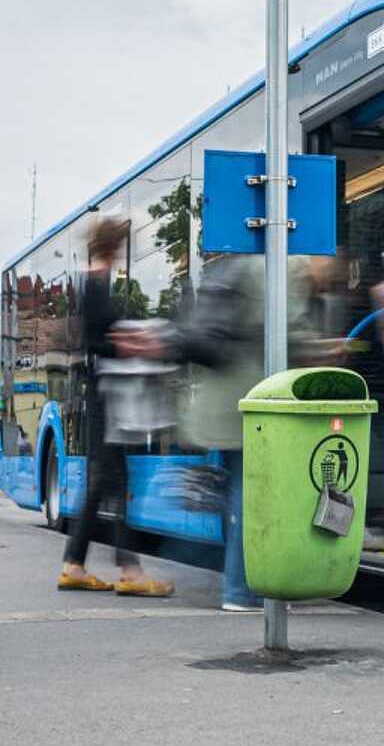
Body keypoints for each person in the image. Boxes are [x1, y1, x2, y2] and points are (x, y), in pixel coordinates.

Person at [116, 253, 263, 610]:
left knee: (235, 492)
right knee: (244, 494)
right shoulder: (252, 270)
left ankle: (239, 587)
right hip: (240, 408)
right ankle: (240, 590)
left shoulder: (224, 270)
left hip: (221, 412)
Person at [58, 218, 173, 598]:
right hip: (107, 395)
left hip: (104, 393)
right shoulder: (95, 285)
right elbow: (98, 343)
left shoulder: (94, 283)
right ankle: (129, 571)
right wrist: (137, 344)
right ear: (112, 246)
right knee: (114, 480)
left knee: (105, 482)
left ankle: (75, 564)